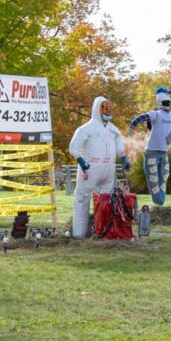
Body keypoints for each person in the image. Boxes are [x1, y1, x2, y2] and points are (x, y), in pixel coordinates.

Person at [69, 96, 127, 238]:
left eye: (109, 108)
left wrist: (124, 157)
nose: (107, 111)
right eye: (104, 108)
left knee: (105, 202)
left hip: (107, 169)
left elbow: (120, 146)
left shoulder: (113, 130)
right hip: (90, 169)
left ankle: (101, 232)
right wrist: (81, 161)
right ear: (97, 109)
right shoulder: (87, 128)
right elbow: (73, 147)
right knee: (82, 199)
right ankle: (79, 234)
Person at [129, 86, 171, 205]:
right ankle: (159, 202)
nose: (168, 100)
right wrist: (132, 126)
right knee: (154, 179)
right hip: (152, 153)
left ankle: (160, 204)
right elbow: (143, 117)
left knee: (164, 178)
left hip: (163, 153)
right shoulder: (156, 114)